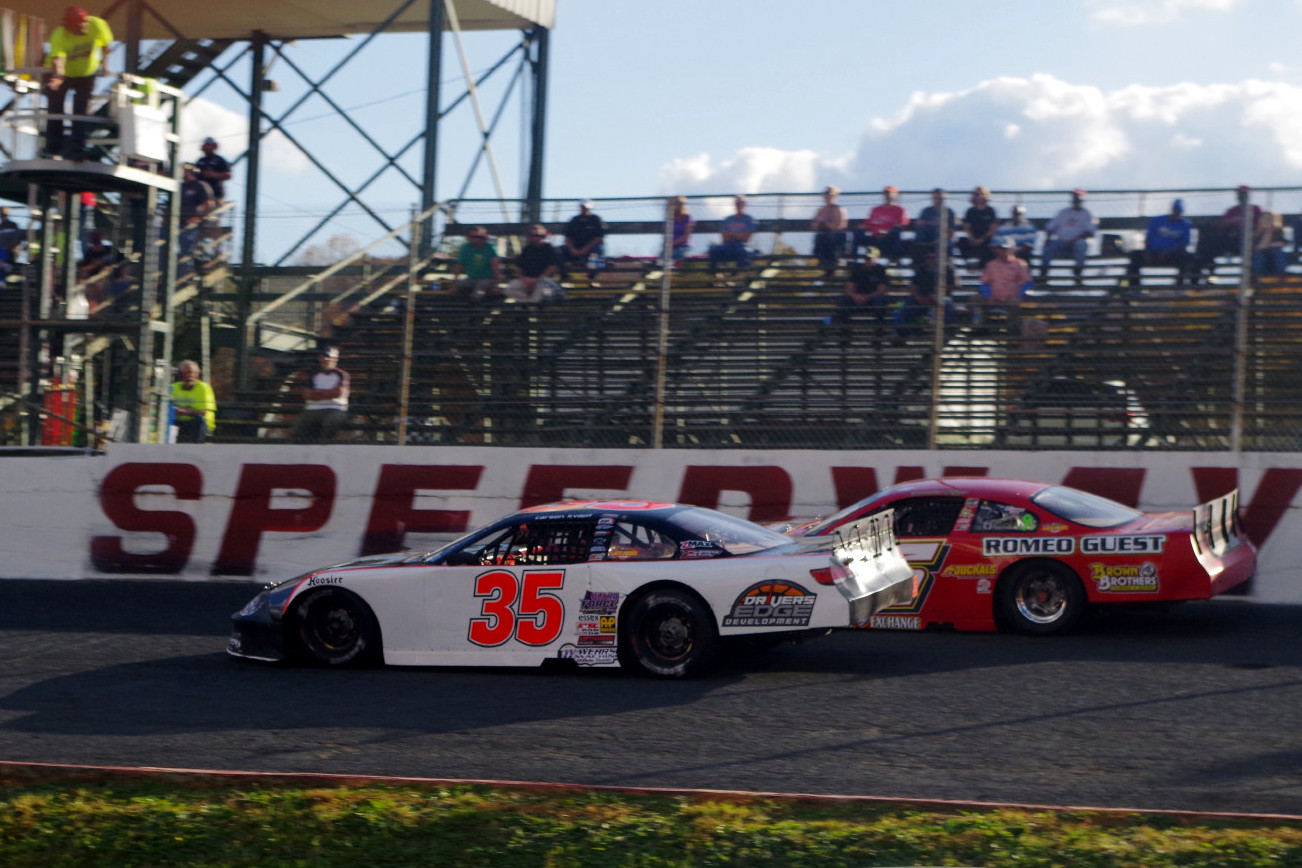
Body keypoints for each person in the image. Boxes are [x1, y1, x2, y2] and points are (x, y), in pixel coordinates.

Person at [43, 6, 113, 160]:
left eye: (84, 23)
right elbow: (58, 58)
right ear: (69, 25)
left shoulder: (97, 24)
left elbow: (105, 44)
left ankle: (77, 148)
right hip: (61, 73)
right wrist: (58, 76)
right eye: (78, 25)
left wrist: (104, 64)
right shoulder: (60, 34)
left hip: (85, 74)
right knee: (55, 107)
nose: (83, 28)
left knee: (81, 110)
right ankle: (54, 146)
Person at [894, 248, 958, 338]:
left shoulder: (946, 270)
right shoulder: (921, 269)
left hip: (940, 298)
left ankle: (946, 333)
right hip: (922, 299)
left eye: (933, 258)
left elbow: (951, 286)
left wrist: (937, 296)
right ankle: (904, 335)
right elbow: (913, 286)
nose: (931, 260)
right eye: (928, 258)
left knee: (948, 302)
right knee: (903, 307)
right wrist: (918, 297)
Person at [291, 345, 350, 443]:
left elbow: (339, 392)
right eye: (323, 357)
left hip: (335, 409)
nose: (326, 359)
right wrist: (328, 394)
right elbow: (307, 394)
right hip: (312, 409)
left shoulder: (341, 375)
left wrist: (317, 394)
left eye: (329, 357)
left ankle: (324, 445)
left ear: (335, 359)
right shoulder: (313, 375)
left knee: (332, 422)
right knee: (299, 426)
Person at [1128, 199, 1193, 284]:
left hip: (1172, 255)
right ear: (1172, 210)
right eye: (1175, 211)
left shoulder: (1185, 224)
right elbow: (1148, 237)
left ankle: (1179, 285)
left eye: (1178, 212)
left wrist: (1168, 252)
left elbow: (1184, 243)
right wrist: (1147, 252)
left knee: (1186, 258)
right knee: (1134, 255)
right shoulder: (1157, 220)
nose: (1176, 214)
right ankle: (1134, 286)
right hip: (1153, 253)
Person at [977, 237, 1034, 325]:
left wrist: (1019, 295)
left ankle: (1011, 326)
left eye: (1004, 248)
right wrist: (988, 296)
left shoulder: (1019, 264)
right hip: (993, 298)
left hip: (1011, 298)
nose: (1001, 250)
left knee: (1014, 304)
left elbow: (1028, 282)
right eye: (998, 248)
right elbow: (985, 282)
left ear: (1011, 249)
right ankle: (979, 325)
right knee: (975, 300)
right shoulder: (991, 264)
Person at [1041, 189, 1096, 280]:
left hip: (1077, 243)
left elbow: (1090, 232)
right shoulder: (1063, 212)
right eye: (1075, 199)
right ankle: (1043, 275)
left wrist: (1074, 241)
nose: (1076, 201)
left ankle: (1078, 273)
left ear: (1082, 201)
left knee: (1082, 245)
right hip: (1061, 242)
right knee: (1049, 246)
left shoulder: (1087, 214)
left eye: (1079, 199)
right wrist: (1047, 238)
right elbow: (1051, 227)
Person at [826, 247, 889, 325]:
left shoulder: (880, 270)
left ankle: (879, 328)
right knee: (843, 300)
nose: (868, 260)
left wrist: (867, 297)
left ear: (876, 258)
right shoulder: (857, 269)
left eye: (870, 258)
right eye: (866, 258)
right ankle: (845, 329)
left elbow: (881, 290)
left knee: (880, 299)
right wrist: (855, 296)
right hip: (856, 299)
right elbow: (849, 287)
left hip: (872, 300)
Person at [504, 224, 563, 302]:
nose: (537, 238)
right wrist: (523, 279)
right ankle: (529, 306)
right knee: (510, 289)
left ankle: (531, 308)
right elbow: (519, 268)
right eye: (534, 235)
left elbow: (552, 269)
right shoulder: (526, 250)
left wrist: (536, 281)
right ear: (528, 237)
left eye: (541, 236)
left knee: (542, 291)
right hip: (526, 281)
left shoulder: (552, 249)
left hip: (546, 282)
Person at [170, 360, 217, 444]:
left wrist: (185, 411)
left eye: (193, 372)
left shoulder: (204, 388)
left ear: (198, 374)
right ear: (180, 374)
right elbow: (167, 407)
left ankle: (197, 445)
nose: (190, 375)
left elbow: (204, 411)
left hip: (194, 422)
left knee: (199, 420)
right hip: (177, 422)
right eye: (187, 372)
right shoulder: (173, 387)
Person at [708, 195, 758, 272]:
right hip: (728, 246)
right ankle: (715, 274)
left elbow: (746, 238)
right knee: (713, 250)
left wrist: (731, 233)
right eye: (736, 203)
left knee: (744, 253)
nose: (738, 205)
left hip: (743, 246)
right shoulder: (728, 219)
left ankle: (739, 273)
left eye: (740, 203)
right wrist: (739, 234)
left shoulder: (749, 220)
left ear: (744, 204)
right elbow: (725, 238)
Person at [857, 185, 909, 259]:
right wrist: (862, 227)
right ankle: (854, 259)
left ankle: (894, 259)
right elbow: (868, 223)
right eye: (886, 194)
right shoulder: (876, 209)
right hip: (875, 239)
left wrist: (887, 232)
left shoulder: (899, 210)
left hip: (889, 241)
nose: (888, 196)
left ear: (896, 196)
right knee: (857, 233)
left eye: (891, 194)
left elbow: (902, 224)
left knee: (896, 234)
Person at [452, 226, 502, 299]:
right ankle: (465, 305)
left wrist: (496, 284)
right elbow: (459, 265)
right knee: (460, 286)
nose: (477, 239)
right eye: (474, 237)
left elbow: (495, 266)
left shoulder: (490, 248)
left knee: (479, 292)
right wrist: (454, 284)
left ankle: (476, 304)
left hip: (486, 279)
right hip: (471, 278)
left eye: (480, 237)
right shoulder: (465, 248)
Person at [179, 165, 215, 264]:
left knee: (187, 242)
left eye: (185, 171)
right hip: (179, 221)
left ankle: (188, 266)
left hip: (194, 224)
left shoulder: (200, 186)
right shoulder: (181, 186)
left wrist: (197, 218)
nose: (182, 172)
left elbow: (208, 204)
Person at [560, 200, 605, 276]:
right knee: (558, 252)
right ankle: (564, 275)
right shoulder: (574, 220)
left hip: (590, 248)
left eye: (586, 208)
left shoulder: (596, 220)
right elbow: (567, 238)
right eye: (583, 207)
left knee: (597, 251)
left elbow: (599, 239)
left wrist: (585, 249)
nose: (584, 209)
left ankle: (593, 276)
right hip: (575, 247)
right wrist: (572, 249)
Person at [811, 185, 848, 276]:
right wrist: (823, 225)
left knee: (830, 238)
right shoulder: (821, 210)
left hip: (836, 237)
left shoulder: (839, 209)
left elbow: (839, 225)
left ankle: (832, 265)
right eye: (826, 194)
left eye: (830, 194)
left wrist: (825, 224)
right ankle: (825, 264)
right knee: (820, 238)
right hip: (823, 235)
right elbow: (814, 225)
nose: (827, 196)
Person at [959, 186, 999, 265]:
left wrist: (982, 239)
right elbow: (967, 227)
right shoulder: (970, 211)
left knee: (990, 247)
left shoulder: (990, 211)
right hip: (973, 238)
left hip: (986, 239)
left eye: (981, 194)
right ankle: (969, 262)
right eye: (976, 194)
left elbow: (993, 228)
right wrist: (972, 238)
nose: (979, 197)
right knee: (961, 241)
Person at [911, 188, 956, 257]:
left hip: (943, 237)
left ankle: (948, 263)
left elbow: (950, 231)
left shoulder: (949, 212)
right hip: (928, 237)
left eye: (940, 198)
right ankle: (920, 263)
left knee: (948, 243)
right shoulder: (926, 211)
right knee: (917, 243)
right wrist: (932, 224)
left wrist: (940, 239)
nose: (937, 200)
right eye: (935, 198)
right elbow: (919, 223)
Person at [1253, 211, 1289, 277]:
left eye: (1269, 219)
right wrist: (1267, 232)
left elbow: (1282, 243)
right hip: (1261, 255)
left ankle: (1281, 272)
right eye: (1265, 219)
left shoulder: (1277, 231)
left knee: (1278, 252)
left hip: (1274, 254)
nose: (1267, 221)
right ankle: (1258, 273)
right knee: (1259, 255)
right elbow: (1259, 246)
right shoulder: (1256, 233)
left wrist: (1268, 245)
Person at [669, 195, 693, 261]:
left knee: (675, 256)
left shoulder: (687, 218)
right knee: (661, 259)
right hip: (670, 248)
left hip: (683, 247)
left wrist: (673, 243)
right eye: (674, 203)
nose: (676, 205)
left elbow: (686, 237)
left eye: (678, 203)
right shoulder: (670, 219)